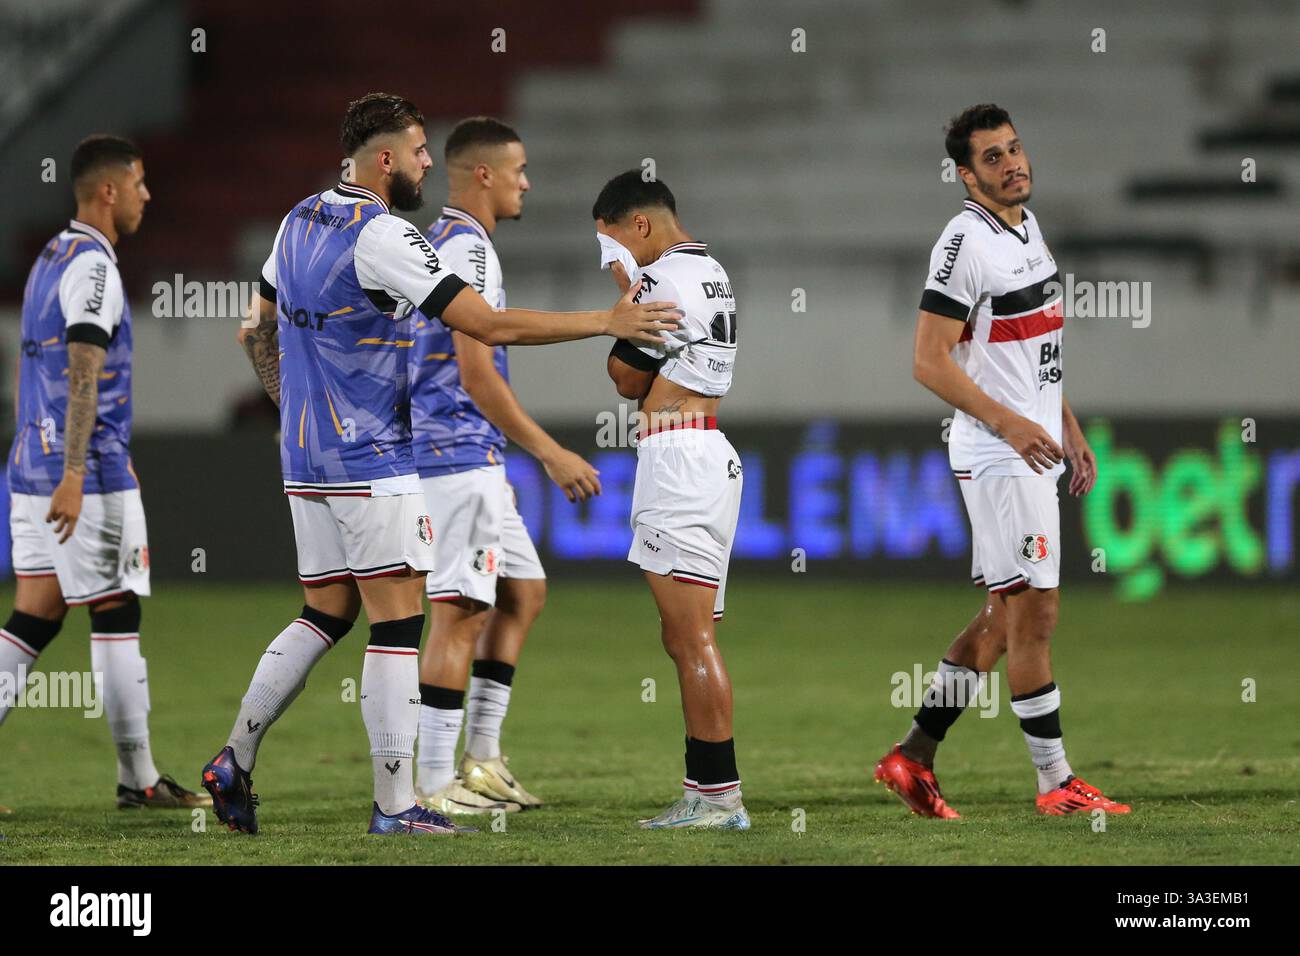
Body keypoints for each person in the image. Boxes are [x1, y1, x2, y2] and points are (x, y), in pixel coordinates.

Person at [200, 94, 677, 836]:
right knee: (398, 625)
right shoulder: (381, 234)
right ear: (385, 159)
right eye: (420, 151)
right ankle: (397, 805)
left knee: (325, 612)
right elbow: (482, 327)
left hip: (305, 457)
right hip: (375, 458)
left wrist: (287, 408)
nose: (429, 163)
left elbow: (254, 327)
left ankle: (234, 756)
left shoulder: (297, 218)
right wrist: (603, 321)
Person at [874, 104, 1130, 818]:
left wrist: (1066, 425)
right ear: (966, 173)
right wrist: (1015, 426)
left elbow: (1033, 351)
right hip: (997, 452)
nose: (1013, 163)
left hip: (1031, 444)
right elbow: (929, 362)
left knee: (1000, 617)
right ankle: (1055, 782)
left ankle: (912, 757)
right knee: (1034, 615)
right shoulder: (963, 244)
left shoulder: (1026, 226)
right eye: (994, 157)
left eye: (1015, 149)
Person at [0, 134, 209, 811]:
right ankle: (139, 778)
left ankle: (138, 777)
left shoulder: (49, 257)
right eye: (141, 183)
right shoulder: (93, 267)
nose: (149, 195)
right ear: (109, 190)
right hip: (81, 475)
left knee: (35, 613)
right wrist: (75, 472)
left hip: (28, 465)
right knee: (117, 611)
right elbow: (81, 369)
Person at [412, 118, 599, 815]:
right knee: (459, 612)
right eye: (518, 169)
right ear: (483, 175)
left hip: (461, 452)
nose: (527, 181)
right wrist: (549, 451)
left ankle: (483, 759)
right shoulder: (467, 247)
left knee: (522, 592)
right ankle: (431, 787)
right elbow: (476, 371)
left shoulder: (447, 242)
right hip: (454, 453)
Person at [597, 171, 748, 830]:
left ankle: (719, 799)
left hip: (678, 461)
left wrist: (625, 292)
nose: (620, 264)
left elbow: (626, 376)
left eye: (617, 248)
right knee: (687, 637)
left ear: (640, 226)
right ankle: (704, 790)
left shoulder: (660, 279)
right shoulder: (711, 269)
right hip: (705, 454)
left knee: (690, 641)